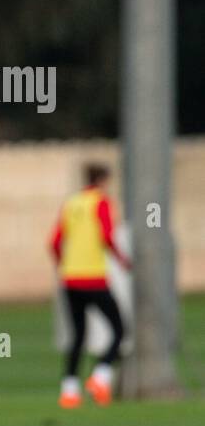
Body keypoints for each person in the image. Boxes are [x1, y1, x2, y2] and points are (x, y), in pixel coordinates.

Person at [50, 163, 130, 407]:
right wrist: (122, 260)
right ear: (103, 180)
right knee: (119, 330)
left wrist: (64, 265)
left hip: (70, 280)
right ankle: (100, 376)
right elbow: (106, 236)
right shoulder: (102, 202)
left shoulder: (71, 203)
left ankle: (69, 391)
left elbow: (54, 242)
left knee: (78, 336)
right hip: (94, 279)